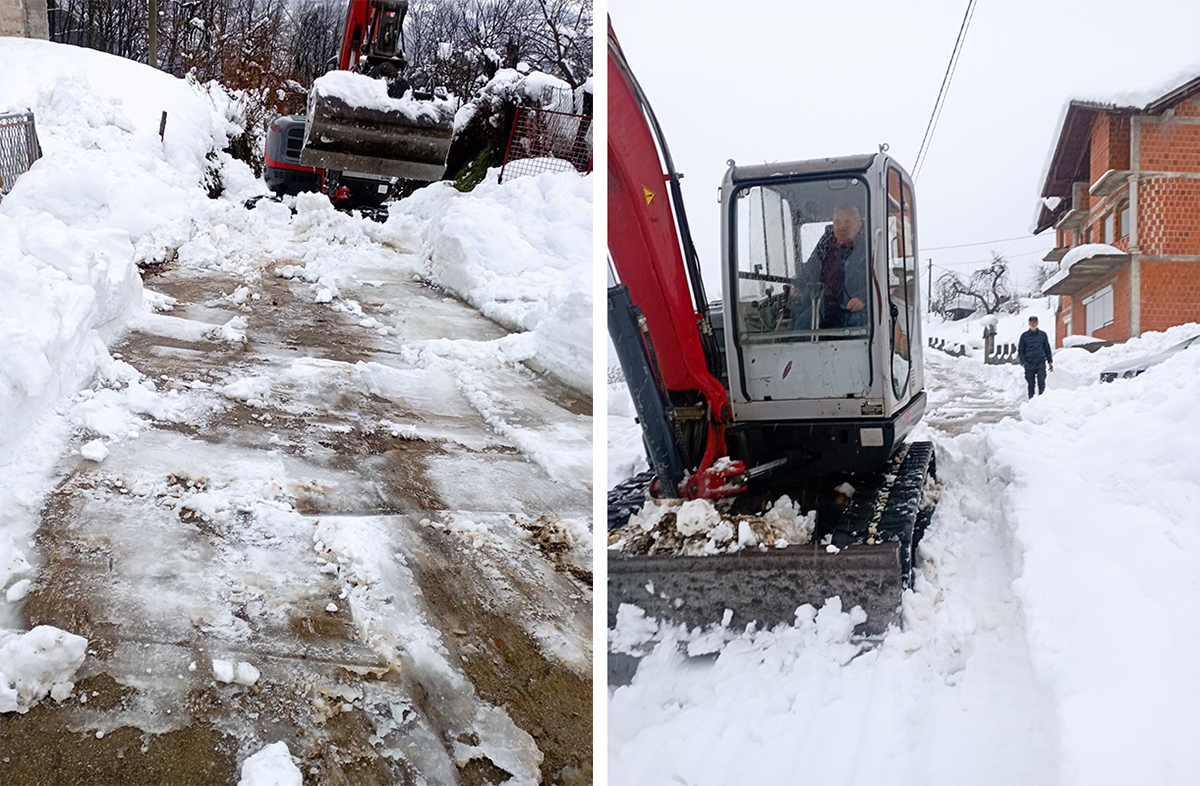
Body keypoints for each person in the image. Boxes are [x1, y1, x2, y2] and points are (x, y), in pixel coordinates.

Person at [791, 205, 868, 331]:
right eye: (837, 222)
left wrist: (862, 298)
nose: (842, 227)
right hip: (822, 305)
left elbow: (877, 279)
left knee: (861, 325)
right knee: (803, 323)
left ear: (858, 225)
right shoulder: (824, 245)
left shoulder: (868, 248)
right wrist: (797, 285)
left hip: (851, 307)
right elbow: (810, 268)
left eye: (847, 223)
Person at [1017, 315, 1054, 398]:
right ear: (1029, 323)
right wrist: (1024, 362)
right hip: (1029, 363)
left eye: (1035, 322)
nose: (1033, 324)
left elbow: (1047, 348)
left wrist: (1050, 361)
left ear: (1037, 323)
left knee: (1041, 382)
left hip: (1040, 362)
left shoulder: (1043, 335)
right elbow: (1020, 350)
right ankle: (1031, 401)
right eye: (1031, 322)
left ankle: (1042, 400)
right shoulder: (1024, 336)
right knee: (1031, 384)